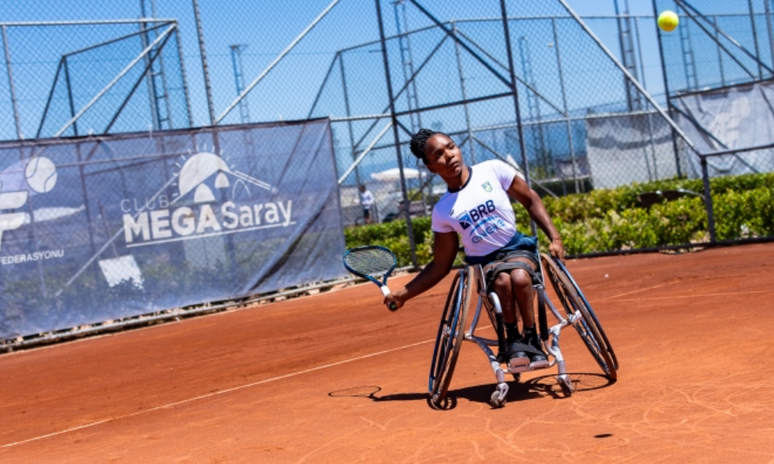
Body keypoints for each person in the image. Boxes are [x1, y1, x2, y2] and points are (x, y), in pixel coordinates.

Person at [384, 129, 565, 370]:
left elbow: (530, 199)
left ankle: (531, 338)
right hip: (484, 262)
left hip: (516, 248)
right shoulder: (442, 210)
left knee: (520, 278)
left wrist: (555, 237)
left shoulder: (493, 170)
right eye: (439, 154)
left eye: (451, 146)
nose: (449, 155)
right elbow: (440, 265)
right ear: (430, 167)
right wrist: (403, 293)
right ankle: (512, 340)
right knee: (502, 281)